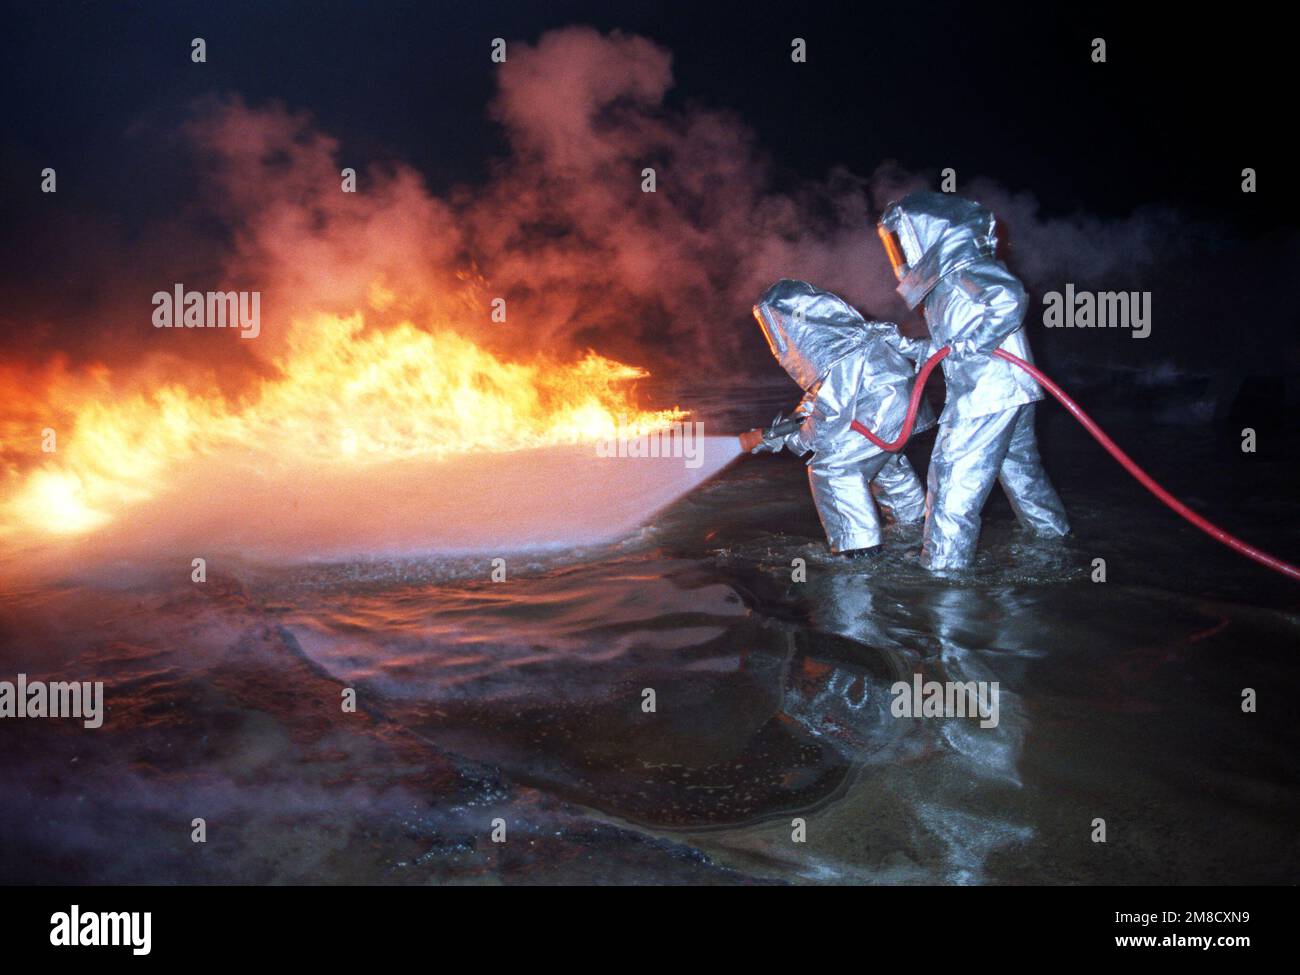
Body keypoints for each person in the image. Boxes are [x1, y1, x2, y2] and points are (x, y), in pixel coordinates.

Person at [876, 191, 1069, 570]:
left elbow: (1009, 298)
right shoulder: (948, 279)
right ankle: (1055, 547)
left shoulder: (961, 267)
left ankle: (943, 582)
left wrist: (975, 342)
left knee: (951, 484)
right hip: (1010, 392)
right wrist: (905, 344)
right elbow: (952, 347)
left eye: (904, 239)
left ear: (927, 233)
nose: (900, 254)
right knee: (1022, 473)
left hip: (986, 396)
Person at [740, 279, 934, 559]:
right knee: (881, 463)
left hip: (879, 414)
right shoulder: (847, 339)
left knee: (832, 469)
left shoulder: (837, 353)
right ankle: (914, 527)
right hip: (893, 414)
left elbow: (827, 421)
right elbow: (817, 399)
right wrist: (773, 436)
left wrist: (795, 439)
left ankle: (858, 551)